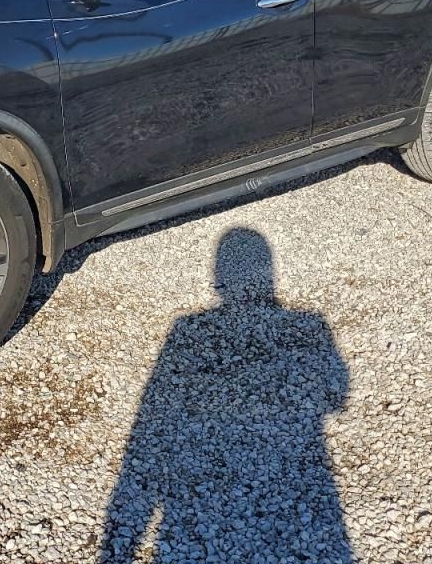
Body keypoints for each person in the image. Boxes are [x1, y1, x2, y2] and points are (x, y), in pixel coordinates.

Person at [100, 229, 352, 563]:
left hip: (188, 499)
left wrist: (121, 543)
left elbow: (151, 418)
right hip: (304, 485)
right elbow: (337, 395)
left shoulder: (186, 329)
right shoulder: (309, 326)